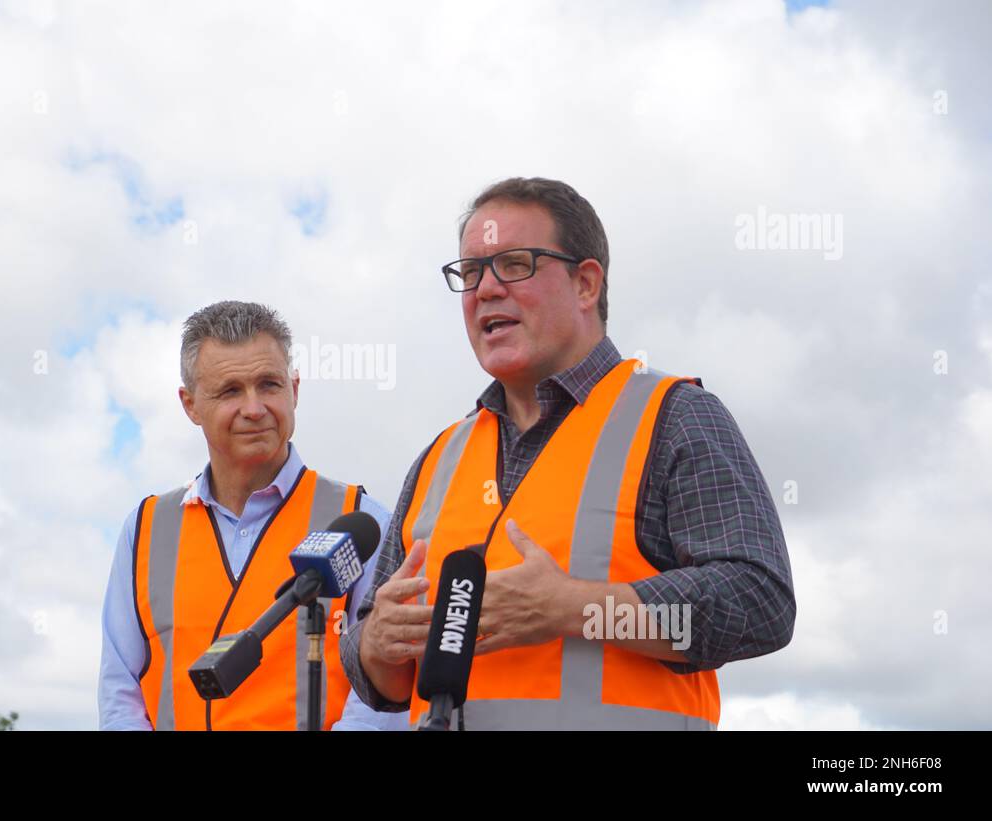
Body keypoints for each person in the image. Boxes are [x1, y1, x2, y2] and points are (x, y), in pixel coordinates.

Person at [340, 177, 796, 730]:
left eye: (513, 264)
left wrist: (576, 609)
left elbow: (759, 604)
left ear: (585, 284)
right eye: (470, 272)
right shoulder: (439, 457)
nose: (484, 289)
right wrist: (374, 644)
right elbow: (378, 673)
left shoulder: (675, 417)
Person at [99, 300, 406, 730]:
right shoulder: (146, 530)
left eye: (269, 385)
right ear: (189, 405)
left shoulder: (363, 523)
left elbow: (385, 690)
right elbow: (120, 691)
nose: (254, 408)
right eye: (230, 391)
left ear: (294, 390)